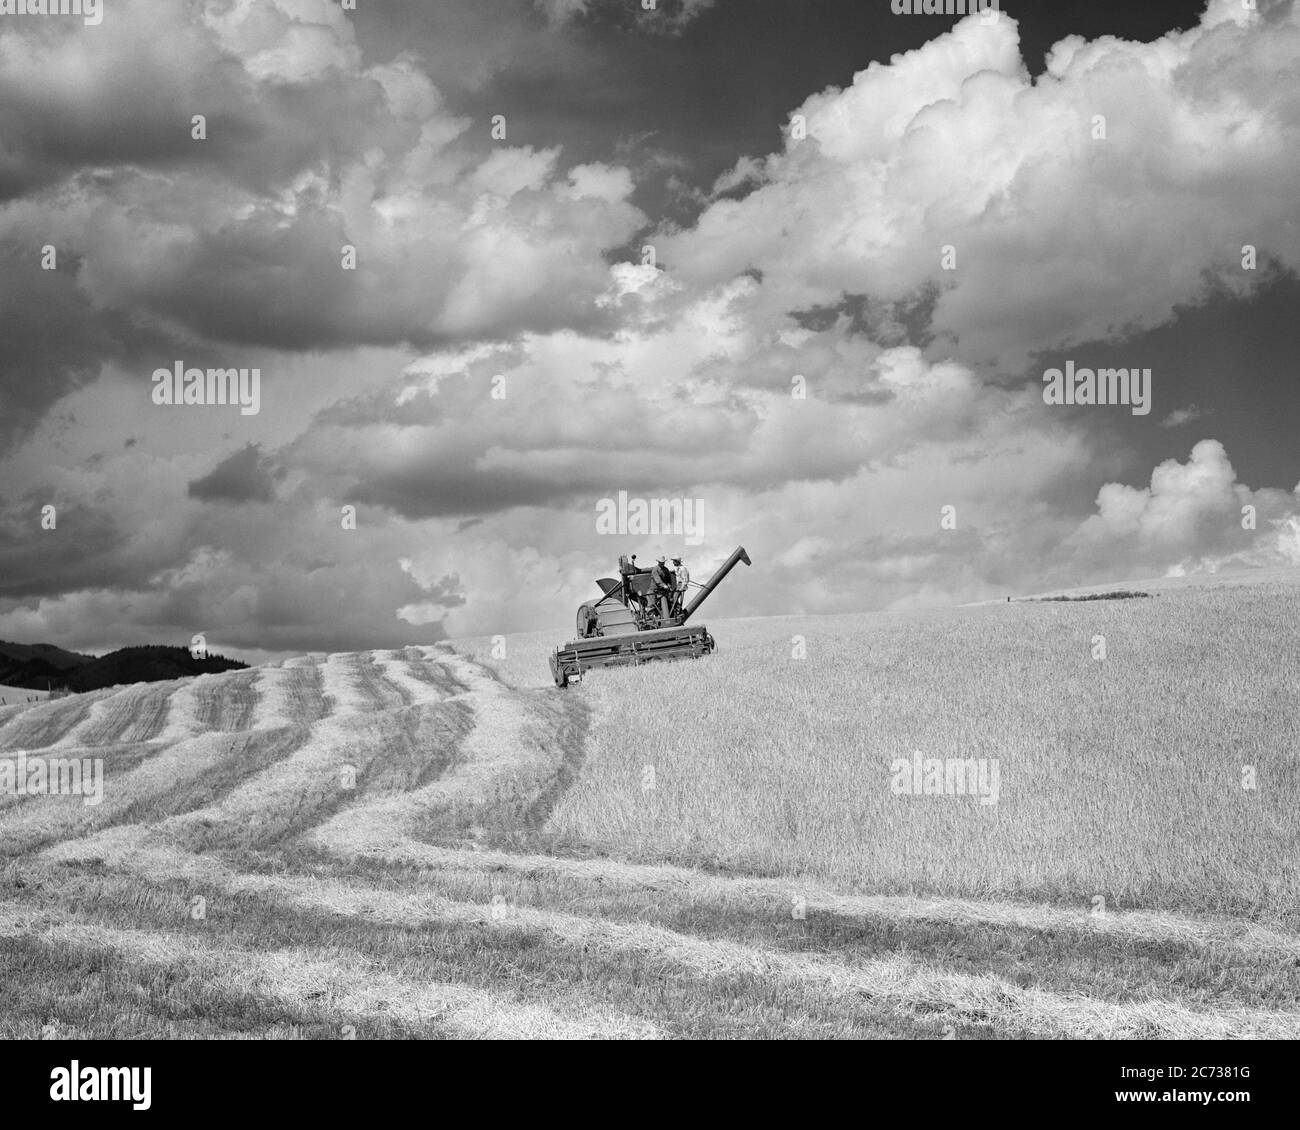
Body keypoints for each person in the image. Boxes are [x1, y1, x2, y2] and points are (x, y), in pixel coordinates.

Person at [652, 554, 674, 619]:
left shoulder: (666, 569)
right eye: (661, 562)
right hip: (656, 589)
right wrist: (664, 585)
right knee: (654, 604)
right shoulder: (655, 569)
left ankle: (672, 612)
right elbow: (657, 580)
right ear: (658, 562)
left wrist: (669, 586)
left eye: (663, 562)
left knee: (671, 601)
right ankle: (656, 615)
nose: (662, 563)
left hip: (665, 589)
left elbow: (668, 579)